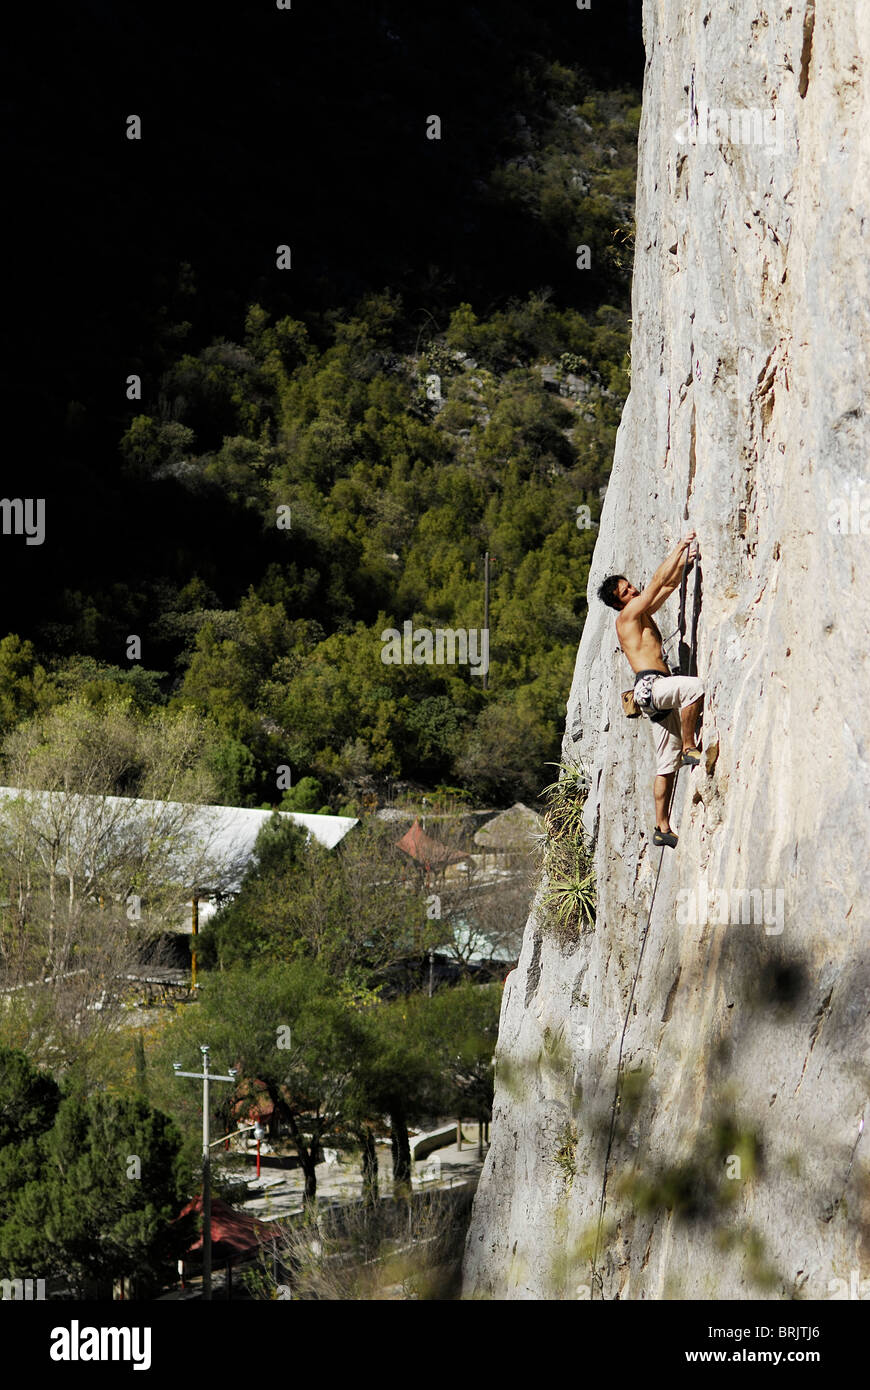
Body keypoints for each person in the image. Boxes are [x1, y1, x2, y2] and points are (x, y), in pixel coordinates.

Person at [597, 532, 704, 848]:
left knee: (665, 764)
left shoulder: (640, 611)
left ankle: (662, 827)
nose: (632, 590)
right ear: (619, 603)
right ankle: (689, 746)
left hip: (652, 694)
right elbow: (658, 581)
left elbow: (667, 587)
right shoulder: (627, 616)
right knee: (694, 687)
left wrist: (684, 565)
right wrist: (679, 548)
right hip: (650, 687)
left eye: (629, 585)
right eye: (626, 591)